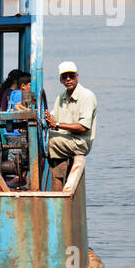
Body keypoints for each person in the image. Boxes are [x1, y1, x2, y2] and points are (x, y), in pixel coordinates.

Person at [43, 61, 97, 191]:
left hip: (80, 142)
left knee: (44, 143)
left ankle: (36, 177)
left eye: (71, 76)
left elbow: (83, 127)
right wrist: (47, 118)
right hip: (65, 138)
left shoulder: (87, 96)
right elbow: (53, 118)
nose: (68, 79)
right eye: (64, 76)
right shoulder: (61, 97)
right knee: (40, 136)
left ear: (77, 77)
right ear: (60, 80)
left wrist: (56, 124)